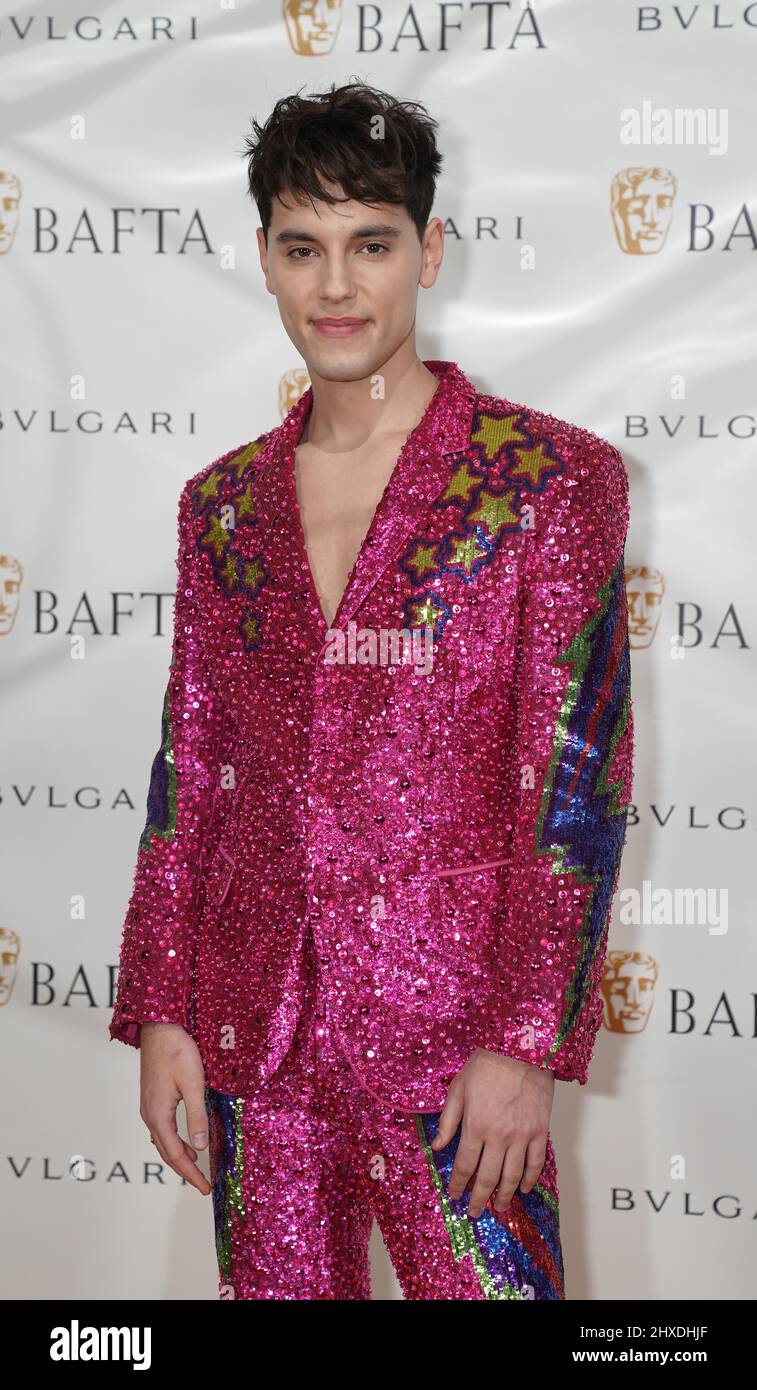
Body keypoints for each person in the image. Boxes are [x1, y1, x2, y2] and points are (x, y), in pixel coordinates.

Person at [109, 80, 634, 1301]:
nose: (336, 286)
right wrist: (165, 1007)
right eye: (303, 248)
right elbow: (190, 766)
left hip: (455, 1052)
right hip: (255, 1041)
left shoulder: (547, 479)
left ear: (429, 252)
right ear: (264, 260)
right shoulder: (220, 505)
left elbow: (575, 785)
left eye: (371, 245)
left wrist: (522, 1043)